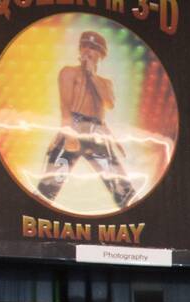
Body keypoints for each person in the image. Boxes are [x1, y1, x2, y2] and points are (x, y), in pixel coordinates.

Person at [36, 30, 135, 209]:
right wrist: (68, 134)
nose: (88, 51)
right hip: (73, 125)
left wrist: (91, 75)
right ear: (80, 49)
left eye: (94, 48)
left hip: (97, 132)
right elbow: (65, 107)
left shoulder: (105, 82)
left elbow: (109, 103)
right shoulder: (68, 72)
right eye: (85, 46)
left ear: (101, 54)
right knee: (49, 185)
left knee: (122, 189)